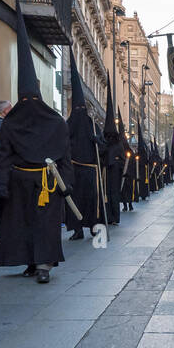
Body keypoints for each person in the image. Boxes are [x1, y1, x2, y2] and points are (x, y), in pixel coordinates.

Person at [0, 15, 70, 283]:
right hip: (20, 182)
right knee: (23, 223)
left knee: (44, 224)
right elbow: (4, 156)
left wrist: (65, 184)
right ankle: (29, 259)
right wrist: (2, 185)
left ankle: (44, 264)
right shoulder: (17, 123)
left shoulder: (53, 122)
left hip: (46, 183)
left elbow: (64, 156)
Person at [64, 54, 104, 240]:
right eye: (78, 109)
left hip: (90, 171)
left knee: (91, 200)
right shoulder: (69, 125)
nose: (80, 113)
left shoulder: (92, 126)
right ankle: (77, 229)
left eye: (83, 110)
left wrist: (97, 140)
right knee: (75, 201)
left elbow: (103, 147)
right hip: (73, 171)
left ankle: (94, 227)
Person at [103, 94, 124, 225]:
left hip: (114, 172)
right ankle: (108, 216)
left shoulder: (118, 145)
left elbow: (122, 160)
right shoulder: (105, 143)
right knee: (107, 195)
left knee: (114, 195)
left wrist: (115, 163)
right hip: (106, 172)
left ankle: (115, 217)